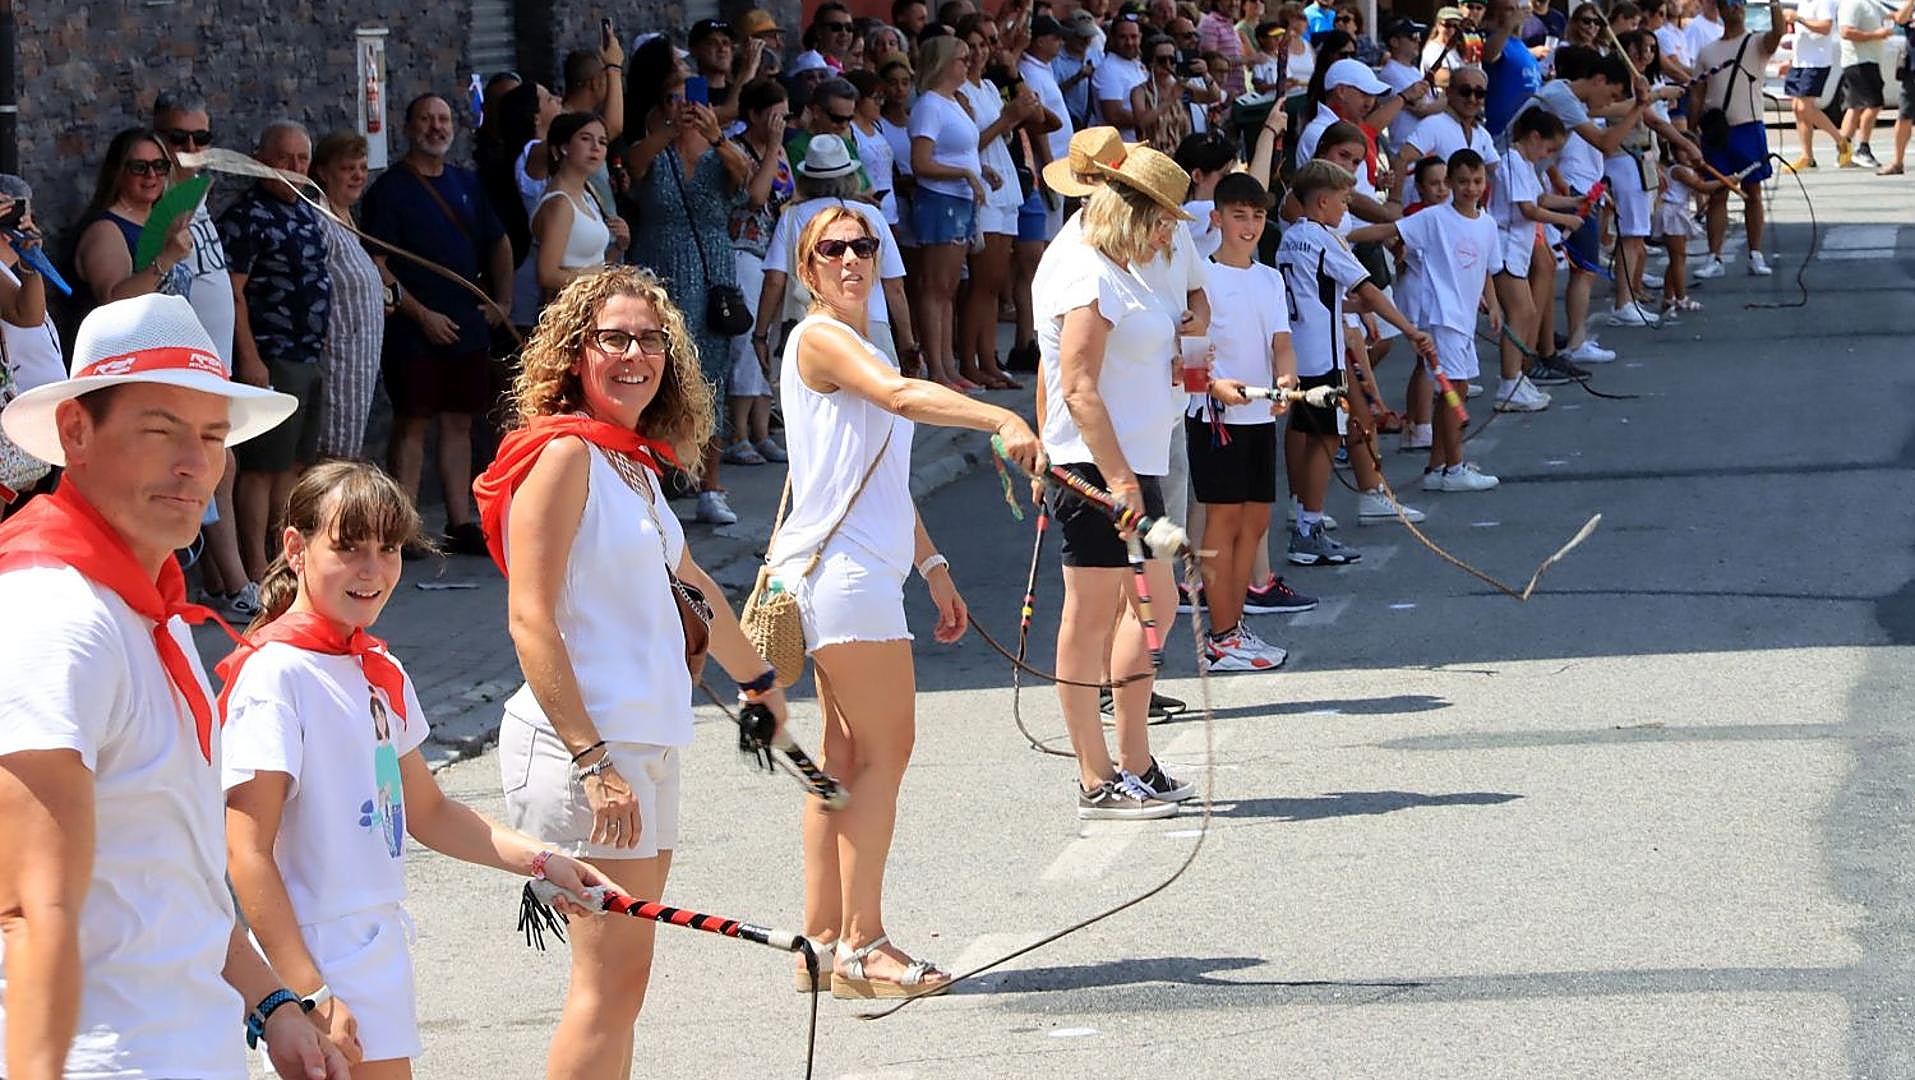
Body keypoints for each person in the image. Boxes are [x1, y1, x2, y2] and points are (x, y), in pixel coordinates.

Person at [0, 293, 349, 1080]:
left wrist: (269, 1003)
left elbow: (168, 871)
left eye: (213, 436)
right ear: (75, 433)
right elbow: (28, 911)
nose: (194, 463)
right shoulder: (56, 616)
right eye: (160, 432)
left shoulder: (144, 606)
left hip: (185, 1047)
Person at [475, 266, 790, 1075]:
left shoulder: (633, 464)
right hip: (586, 748)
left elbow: (693, 586)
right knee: (603, 988)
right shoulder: (564, 458)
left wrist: (760, 682)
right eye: (612, 338)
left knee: (624, 988)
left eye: (650, 340)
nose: (634, 354)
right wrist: (593, 761)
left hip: (640, 740)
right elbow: (528, 618)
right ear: (574, 353)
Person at [220, 461, 606, 1079]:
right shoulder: (275, 676)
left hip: (374, 948)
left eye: (388, 549)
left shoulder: (377, 668)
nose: (372, 571)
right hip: (316, 955)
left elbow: (429, 811)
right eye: (348, 549)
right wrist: (304, 993)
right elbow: (247, 852)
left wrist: (541, 859)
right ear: (295, 548)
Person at [771, 206, 1040, 995]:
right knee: (884, 757)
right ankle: (866, 943)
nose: (851, 259)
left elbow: (878, 473)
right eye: (833, 249)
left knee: (843, 762)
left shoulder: (859, 343)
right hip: (845, 583)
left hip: (851, 573)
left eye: (865, 246)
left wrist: (931, 565)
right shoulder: (821, 337)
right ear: (808, 265)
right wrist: (997, 412)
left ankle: (821, 941)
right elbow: (896, 398)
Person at [1034, 145, 1202, 817]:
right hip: (1098, 469)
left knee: (1152, 609)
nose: (1169, 235)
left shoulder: (1118, 269)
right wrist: (1116, 479)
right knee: (1093, 616)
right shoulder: (1085, 271)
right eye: (1162, 220)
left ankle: (1134, 763)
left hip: (1134, 462)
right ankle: (1096, 775)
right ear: (1129, 212)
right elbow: (1075, 385)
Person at [360, 94, 514, 556]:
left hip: (467, 324)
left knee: (459, 423)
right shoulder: (389, 191)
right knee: (412, 423)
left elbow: (499, 241)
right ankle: (403, 528)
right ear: (407, 127)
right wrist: (422, 315)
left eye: (443, 119)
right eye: (426, 119)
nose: (436, 127)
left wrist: (502, 301)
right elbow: (378, 265)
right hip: (413, 330)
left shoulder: (467, 182)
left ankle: (460, 521)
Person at [1276, 160, 1435, 564]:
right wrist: (1409, 328)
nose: (1346, 209)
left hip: (1298, 350)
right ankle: (1309, 527)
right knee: (1327, 437)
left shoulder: (1289, 238)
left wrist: (1345, 303)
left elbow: (1311, 293)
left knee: (1311, 433)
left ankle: (1305, 517)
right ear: (1323, 202)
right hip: (1322, 353)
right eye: (1344, 201)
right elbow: (1372, 291)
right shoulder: (1325, 240)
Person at [626, 43, 754, 526]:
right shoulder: (651, 145)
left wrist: (717, 137)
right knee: (654, 373)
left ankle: (711, 484)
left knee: (712, 374)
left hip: (712, 266)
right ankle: (652, 479)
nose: (687, 108)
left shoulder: (719, 148)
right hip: (660, 262)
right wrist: (667, 133)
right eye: (675, 99)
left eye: (692, 99)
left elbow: (745, 184)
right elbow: (634, 167)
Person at [1185, 172, 1297, 672]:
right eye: (1238, 216)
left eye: (1257, 216)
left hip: (1258, 415)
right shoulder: (1202, 278)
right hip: (1215, 416)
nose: (1249, 226)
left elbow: (1281, 342)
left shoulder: (1270, 278)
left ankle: (1232, 627)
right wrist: (1216, 387)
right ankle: (1222, 635)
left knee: (1255, 522)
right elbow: (1191, 358)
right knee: (1222, 523)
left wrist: (1287, 379)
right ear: (1217, 219)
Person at [219, 121, 332, 582]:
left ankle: (279, 557)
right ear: (259, 160)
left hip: (308, 355)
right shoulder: (245, 216)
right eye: (284, 158)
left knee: (295, 464)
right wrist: (250, 358)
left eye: (302, 159)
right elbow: (234, 292)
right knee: (262, 467)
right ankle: (251, 564)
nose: (294, 168)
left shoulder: (308, 209)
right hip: (271, 355)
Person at [1352, 148, 1503, 492]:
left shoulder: (1488, 224)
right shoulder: (1434, 218)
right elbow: (1388, 229)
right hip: (1442, 317)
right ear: (1450, 183)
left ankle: (1438, 465)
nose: (1470, 188)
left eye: (1477, 181)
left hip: (1464, 321)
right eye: (1462, 181)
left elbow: (1487, 272)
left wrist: (1492, 305)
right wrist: (1341, 235)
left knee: (1455, 390)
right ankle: (1454, 466)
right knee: (1453, 391)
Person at [757, 136, 920, 376]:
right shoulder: (871, 215)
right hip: (871, 323)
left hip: (812, 327)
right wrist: (907, 343)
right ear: (851, 176)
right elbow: (894, 286)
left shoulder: (792, 217)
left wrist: (760, 334)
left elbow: (774, 281)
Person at [959, 15, 1042, 390]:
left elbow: (1035, 117)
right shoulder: (957, 91)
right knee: (983, 282)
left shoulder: (992, 87)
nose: (979, 53)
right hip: (983, 190)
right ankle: (971, 361)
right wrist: (1006, 120)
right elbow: (965, 147)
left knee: (996, 285)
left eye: (985, 45)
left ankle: (989, 360)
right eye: (972, 46)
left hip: (1007, 184)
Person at [908, 36, 991, 391]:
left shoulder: (952, 102)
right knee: (936, 288)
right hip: (941, 199)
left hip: (959, 199)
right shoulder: (929, 105)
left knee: (949, 287)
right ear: (943, 63)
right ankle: (938, 368)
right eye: (961, 59)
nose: (967, 64)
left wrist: (980, 172)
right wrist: (965, 174)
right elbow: (921, 162)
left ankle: (948, 365)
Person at [1487, 107, 1582, 412]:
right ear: (1533, 137)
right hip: (1506, 244)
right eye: (1548, 148)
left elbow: (1540, 198)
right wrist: (1563, 220)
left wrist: (1573, 203)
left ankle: (1516, 377)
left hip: (1519, 246)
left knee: (1526, 313)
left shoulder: (1525, 164)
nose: (1547, 155)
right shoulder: (1512, 162)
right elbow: (1528, 209)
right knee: (1518, 315)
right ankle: (1508, 382)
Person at [726, 78, 797, 465]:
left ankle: (761, 428)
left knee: (769, 341)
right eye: (774, 116)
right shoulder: (736, 150)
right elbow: (754, 197)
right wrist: (770, 148)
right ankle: (737, 432)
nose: (781, 124)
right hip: (745, 250)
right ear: (753, 114)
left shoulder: (781, 148)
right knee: (747, 343)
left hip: (776, 250)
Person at [308, 132, 387, 463]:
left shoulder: (348, 217)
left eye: (362, 167)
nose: (357, 175)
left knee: (348, 451)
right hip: (337, 356)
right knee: (330, 451)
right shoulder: (319, 219)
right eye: (347, 168)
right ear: (324, 172)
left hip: (360, 357)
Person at [1690, 0, 1783, 278]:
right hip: (1717, 130)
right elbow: (1697, 93)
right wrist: (1690, 132)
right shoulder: (1708, 51)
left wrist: (1774, 4)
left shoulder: (1756, 43)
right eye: (1730, 3)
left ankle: (1755, 253)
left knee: (1753, 192)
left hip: (1748, 127)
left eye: (1740, 2)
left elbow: (1777, 32)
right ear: (1720, 9)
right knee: (1717, 194)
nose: (1736, 7)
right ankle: (1714, 257)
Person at [515, 112, 626, 337]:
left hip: (595, 309)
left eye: (602, 142)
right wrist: (601, 278)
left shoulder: (589, 192)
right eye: (585, 139)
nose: (596, 147)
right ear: (562, 148)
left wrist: (619, 246)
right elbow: (547, 274)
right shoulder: (559, 203)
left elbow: (591, 259)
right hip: (568, 316)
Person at [1783, 0, 1853, 169]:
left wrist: (1799, 19)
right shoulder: (1803, 3)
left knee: (1804, 107)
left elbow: (1826, 27)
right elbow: (1801, 35)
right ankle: (1807, 156)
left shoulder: (1824, 2)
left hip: (1817, 62)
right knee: (1797, 108)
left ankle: (1841, 140)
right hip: (1800, 62)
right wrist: (1792, 60)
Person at [1655, 157, 1721, 311]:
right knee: (1678, 257)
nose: (1686, 155)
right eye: (1682, 151)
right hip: (1672, 213)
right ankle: (1680, 298)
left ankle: (1668, 297)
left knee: (1676, 258)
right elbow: (1701, 187)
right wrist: (1726, 181)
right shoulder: (1679, 170)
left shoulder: (1688, 171)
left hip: (1677, 212)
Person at [1836, 0, 1894, 169]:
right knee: (1874, 104)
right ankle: (1863, 149)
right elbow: (1846, 31)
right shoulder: (1851, 4)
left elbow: (1894, 16)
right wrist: (1876, 35)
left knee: (1855, 107)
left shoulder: (1872, 3)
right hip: (1859, 61)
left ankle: (1843, 152)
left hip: (1869, 60)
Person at [1379, 19, 1443, 155]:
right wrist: (1443, 103)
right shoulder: (1390, 73)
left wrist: (1440, 102)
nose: (1418, 41)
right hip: (1405, 149)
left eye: (1419, 37)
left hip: (1425, 149)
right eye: (1412, 37)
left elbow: (1431, 102)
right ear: (1394, 42)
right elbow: (1420, 108)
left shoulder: (1414, 71)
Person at [691, 18, 766, 126]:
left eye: (726, 43)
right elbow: (731, 111)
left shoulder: (734, 88)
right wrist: (749, 67)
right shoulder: (692, 88)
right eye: (712, 43)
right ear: (694, 50)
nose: (722, 49)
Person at [1096, 14, 1149, 137]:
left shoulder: (1137, 64)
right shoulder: (1108, 69)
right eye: (1123, 37)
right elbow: (1114, 115)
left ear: (1140, 38)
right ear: (1113, 38)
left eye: (1134, 37)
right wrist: (1157, 117)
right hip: (1123, 148)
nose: (1129, 42)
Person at [1058, 11, 1107, 128]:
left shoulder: (1097, 55)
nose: (1086, 41)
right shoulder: (1057, 60)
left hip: (1095, 124)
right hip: (1070, 122)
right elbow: (1054, 92)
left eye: (1089, 36)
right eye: (1081, 36)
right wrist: (1077, 78)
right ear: (1069, 34)